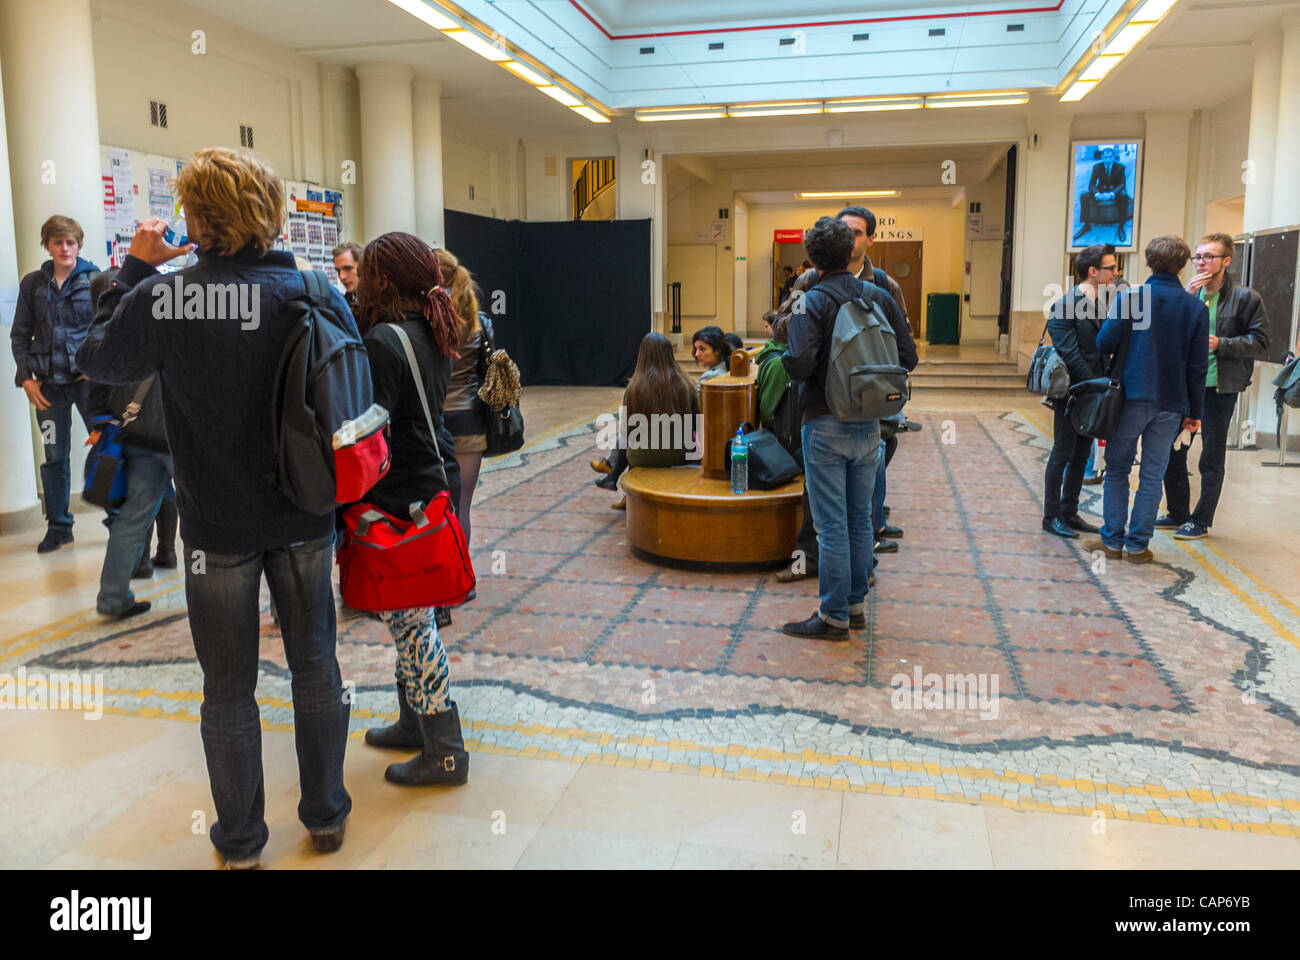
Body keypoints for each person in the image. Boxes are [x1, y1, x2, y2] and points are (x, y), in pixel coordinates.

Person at [77, 147, 354, 868]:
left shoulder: (167, 296)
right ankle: (325, 815)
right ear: (270, 208)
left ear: (195, 218)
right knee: (315, 666)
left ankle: (240, 841)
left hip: (215, 527)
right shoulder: (313, 288)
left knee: (228, 689)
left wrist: (135, 269)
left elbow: (98, 361)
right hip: (305, 512)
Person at [353, 231, 470, 789]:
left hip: (400, 495)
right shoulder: (429, 329)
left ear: (384, 280)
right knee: (409, 618)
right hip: (430, 482)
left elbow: (370, 427)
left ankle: (445, 751)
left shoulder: (383, 340)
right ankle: (413, 722)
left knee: (414, 625)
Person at [779, 217, 880, 639]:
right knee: (859, 519)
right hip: (870, 423)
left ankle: (833, 616)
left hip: (824, 421)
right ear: (850, 250)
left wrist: (787, 362)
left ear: (813, 258)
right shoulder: (876, 295)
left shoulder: (810, 301)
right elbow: (907, 355)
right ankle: (855, 606)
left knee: (830, 525)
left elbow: (799, 361)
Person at [1085, 235, 1208, 563]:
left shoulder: (1132, 298)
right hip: (1172, 403)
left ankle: (1112, 542)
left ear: (1149, 263)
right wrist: (1194, 412)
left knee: (1117, 468)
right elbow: (1197, 367)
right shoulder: (1195, 307)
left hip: (1130, 397)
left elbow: (1105, 342)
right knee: (1154, 473)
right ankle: (1139, 546)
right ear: (1182, 266)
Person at [1155, 233, 1268, 540]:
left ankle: (1201, 520)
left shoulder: (1246, 298)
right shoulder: (1187, 294)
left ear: (1226, 261)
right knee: (1171, 448)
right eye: (1198, 257)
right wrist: (1186, 298)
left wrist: (1223, 344)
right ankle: (1178, 512)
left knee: (1211, 456)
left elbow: (1260, 342)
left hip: (1219, 388)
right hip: (1182, 386)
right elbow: (1166, 333)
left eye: (1209, 257)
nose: (1201, 262)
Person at [84, 269, 173, 618]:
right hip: (179, 439)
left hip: (134, 439)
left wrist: (103, 423)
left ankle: (111, 597)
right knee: (202, 521)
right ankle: (208, 597)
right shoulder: (171, 325)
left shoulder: (107, 339)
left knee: (131, 521)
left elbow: (96, 394)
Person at [10, 215, 101, 553]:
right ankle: (60, 526)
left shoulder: (95, 280)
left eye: (71, 242)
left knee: (109, 447)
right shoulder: (33, 285)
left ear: (78, 244)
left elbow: (108, 329)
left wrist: (98, 365)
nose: (65, 248)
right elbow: (20, 335)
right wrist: (26, 379)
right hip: (48, 389)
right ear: (47, 245)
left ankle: (119, 518)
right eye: (58, 242)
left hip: (89, 387)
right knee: (53, 455)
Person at [1041, 244, 1116, 538]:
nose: (1115, 273)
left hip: (1094, 391)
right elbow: (1070, 353)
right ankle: (1051, 515)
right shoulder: (1065, 305)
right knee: (1062, 451)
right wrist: (1092, 386)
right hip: (1073, 392)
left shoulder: (1103, 301)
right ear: (1093, 271)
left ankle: (1070, 511)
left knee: (1082, 451)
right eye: (1110, 268)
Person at [435, 248, 488, 553]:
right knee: (462, 507)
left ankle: (440, 579)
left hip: (435, 421)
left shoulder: (427, 318)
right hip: (469, 419)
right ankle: (462, 579)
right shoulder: (474, 318)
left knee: (437, 506)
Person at [1074, 147, 1131, 243]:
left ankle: (1121, 227)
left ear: (1113, 157)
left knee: (1124, 197)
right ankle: (1086, 225)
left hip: (1115, 191)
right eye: (1105, 157)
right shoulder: (1097, 167)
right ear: (1102, 157)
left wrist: (1112, 194)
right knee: (1084, 196)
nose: (1108, 159)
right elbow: (1091, 184)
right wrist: (1097, 194)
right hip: (1100, 190)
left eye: (1110, 157)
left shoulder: (1120, 167)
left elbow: (1122, 184)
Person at [755, 311, 790, 432]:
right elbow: (769, 411)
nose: (765, 330)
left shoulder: (781, 357)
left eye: (766, 326)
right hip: (778, 432)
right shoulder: (778, 363)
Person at [692, 325, 732, 396]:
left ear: (717, 350)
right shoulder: (727, 366)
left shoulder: (710, 376)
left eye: (702, 349)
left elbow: (697, 406)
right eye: (696, 349)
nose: (696, 354)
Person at [332, 241, 362, 313]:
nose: (342, 277)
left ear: (363, 266)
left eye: (347, 268)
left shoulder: (380, 303)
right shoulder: (344, 302)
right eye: (338, 271)